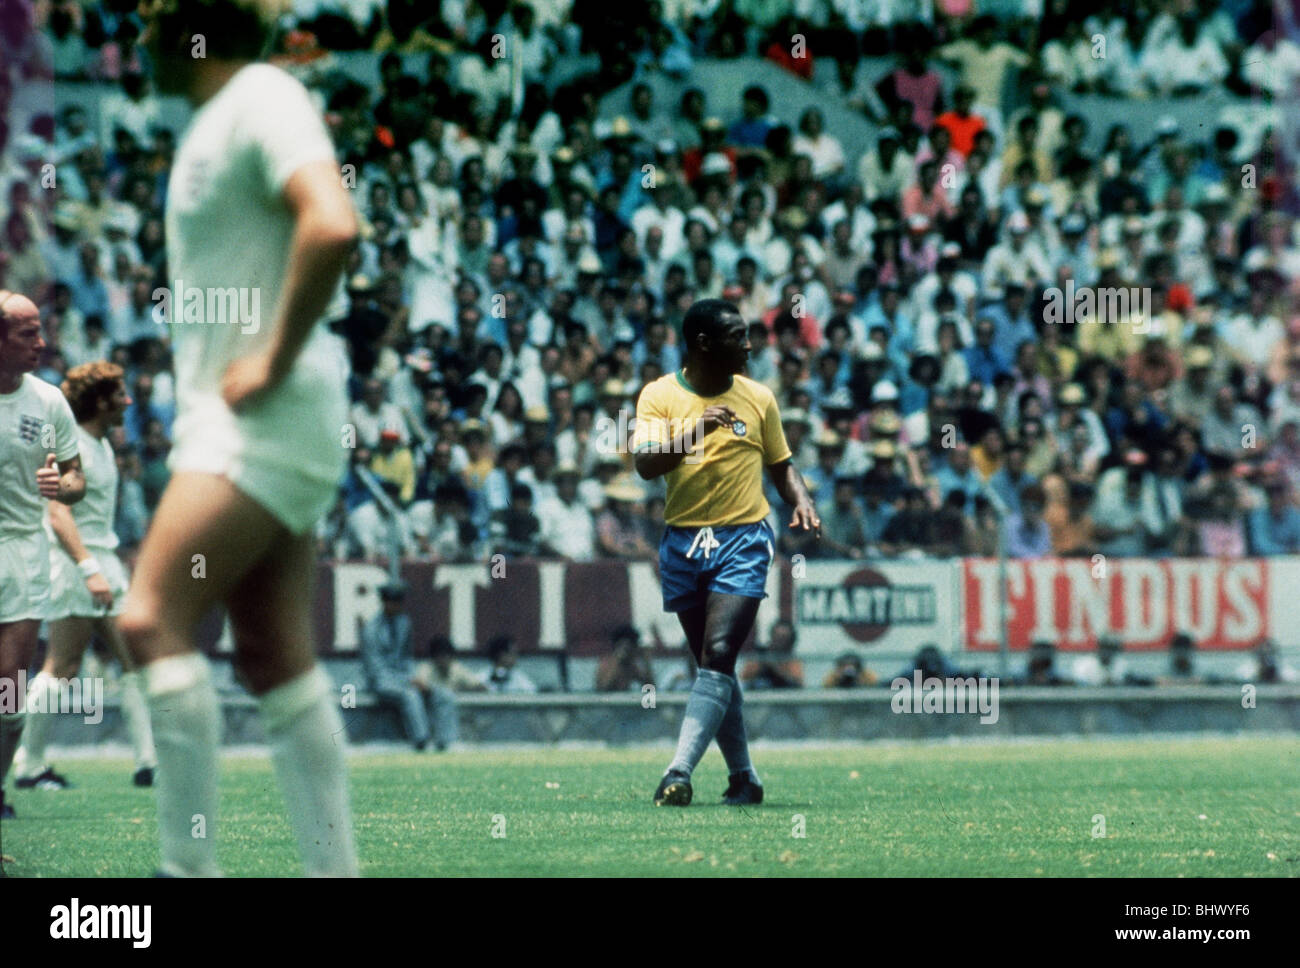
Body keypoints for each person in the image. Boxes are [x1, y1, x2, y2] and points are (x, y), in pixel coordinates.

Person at [117, 1, 359, 877]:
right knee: (271, 652)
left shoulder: (261, 95)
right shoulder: (227, 114)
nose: (137, 42)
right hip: (255, 413)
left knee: (148, 619)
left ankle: (184, 876)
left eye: (147, 21)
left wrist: (271, 358)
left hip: (259, 412)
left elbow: (333, 222)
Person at [633, 298, 818, 807]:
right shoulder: (659, 395)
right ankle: (745, 777)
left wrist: (800, 497)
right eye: (738, 336)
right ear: (703, 345)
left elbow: (781, 464)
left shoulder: (758, 398)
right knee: (714, 667)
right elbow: (646, 465)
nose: (750, 345)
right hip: (683, 542)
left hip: (744, 538)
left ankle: (678, 772)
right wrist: (696, 431)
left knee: (717, 654)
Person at [13, 362, 157, 791]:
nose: (127, 401)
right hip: (76, 564)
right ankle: (28, 765)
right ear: (98, 401)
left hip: (103, 559)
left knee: (134, 658)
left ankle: (149, 761)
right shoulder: (73, 448)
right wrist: (88, 569)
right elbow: (58, 516)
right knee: (63, 665)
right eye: (119, 396)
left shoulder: (103, 445)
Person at [0, 290, 87, 827]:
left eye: (41, 330)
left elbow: (78, 479)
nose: (42, 342)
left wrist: (64, 484)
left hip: (23, 552)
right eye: (28, 333)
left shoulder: (48, 401)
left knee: (9, 690)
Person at [595, 625, 656, 692]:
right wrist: (618, 659)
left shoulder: (631, 666)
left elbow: (650, 688)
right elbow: (603, 688)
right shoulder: (606, 664)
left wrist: (647, 661)